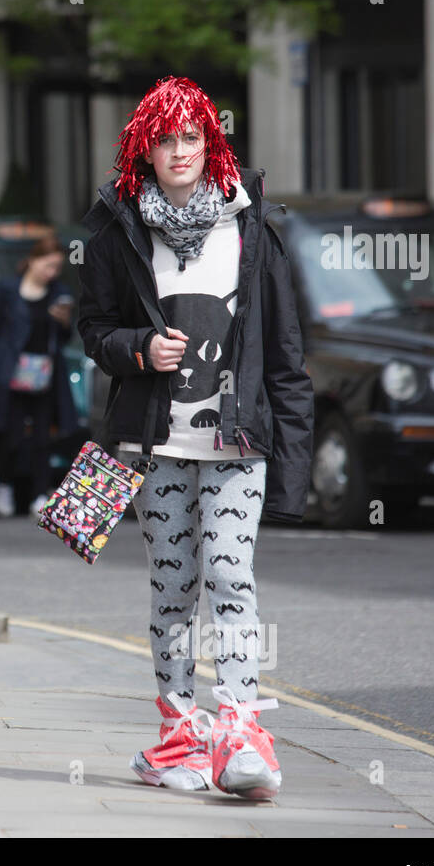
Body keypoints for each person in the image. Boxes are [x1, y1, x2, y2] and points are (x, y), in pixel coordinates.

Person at [79, 76, 312, 798]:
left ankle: (241, 727)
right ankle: (181, 733)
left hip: (237, 444)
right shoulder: (117, 229)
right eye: (164, 138)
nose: (178, 150)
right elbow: (93, 328)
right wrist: (139, 349)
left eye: (190, 136)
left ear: (210, 142)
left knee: (231, 577)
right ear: (142, 149)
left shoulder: (250, 229)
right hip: (156, 441)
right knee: (173, 588)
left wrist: (294, 473)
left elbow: (285, 355)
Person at [0, 234, 78, 517]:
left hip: (44, 375)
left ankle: (39, 493)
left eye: (57, 267)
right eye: (48, 265)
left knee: (42, 437)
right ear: (34, 261)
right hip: (11, 373)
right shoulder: (9, 288)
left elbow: (65, 337)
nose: (52, 272)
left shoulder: (59, 293)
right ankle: (3, 481)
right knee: (10, 435)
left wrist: (63, 322)